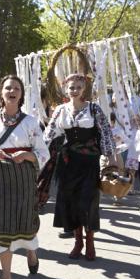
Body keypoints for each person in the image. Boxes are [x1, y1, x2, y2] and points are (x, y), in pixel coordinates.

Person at [0, 75, 49, 279]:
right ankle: (6, 276)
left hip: (22, 180)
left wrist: (27, 154)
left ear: (21, 94)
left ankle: (31, 252)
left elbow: (43, 153)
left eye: (16, 88)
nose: (12, 91)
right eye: (8, 88)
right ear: (2, 93)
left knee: (24, 224)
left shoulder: (30, 122)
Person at [44, 73, 114, 262]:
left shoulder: (93, 108)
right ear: (65, 89)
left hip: (89, 161)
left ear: (84, 89)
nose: (74, 90)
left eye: (78, 87)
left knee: (89, 202)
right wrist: (38, 153)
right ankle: (78, 242)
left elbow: (106, 132)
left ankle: (90, 242)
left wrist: (110, 157)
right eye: (71, 87)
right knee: (72, 202)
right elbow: (49, 134)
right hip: (68, 162)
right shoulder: (60, 110)